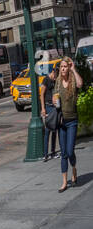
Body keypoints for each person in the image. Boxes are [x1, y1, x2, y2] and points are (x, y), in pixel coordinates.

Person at [54, 56, 84, 192]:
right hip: (61, 122)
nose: (63, 69)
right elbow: (54, 96)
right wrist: (55, 101)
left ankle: (74, 169)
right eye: (62, 67)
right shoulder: (58, 82)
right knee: (64, 153)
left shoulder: (72, 81)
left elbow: (80, 84)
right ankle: (64, 181)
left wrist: (74, 69)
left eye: (65, 66)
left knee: (70, 151)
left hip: (72, 121)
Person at [41, 65, 59, 162]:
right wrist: (43, 108)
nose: (56, 78)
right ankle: (45, 154)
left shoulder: (56, 80)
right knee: (48, 130)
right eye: (55, 75)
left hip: (54, 107)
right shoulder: (46, 80)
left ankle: (53, 152)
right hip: (48, 107)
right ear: (53, 72)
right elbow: (42, 94)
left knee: (54, 130)